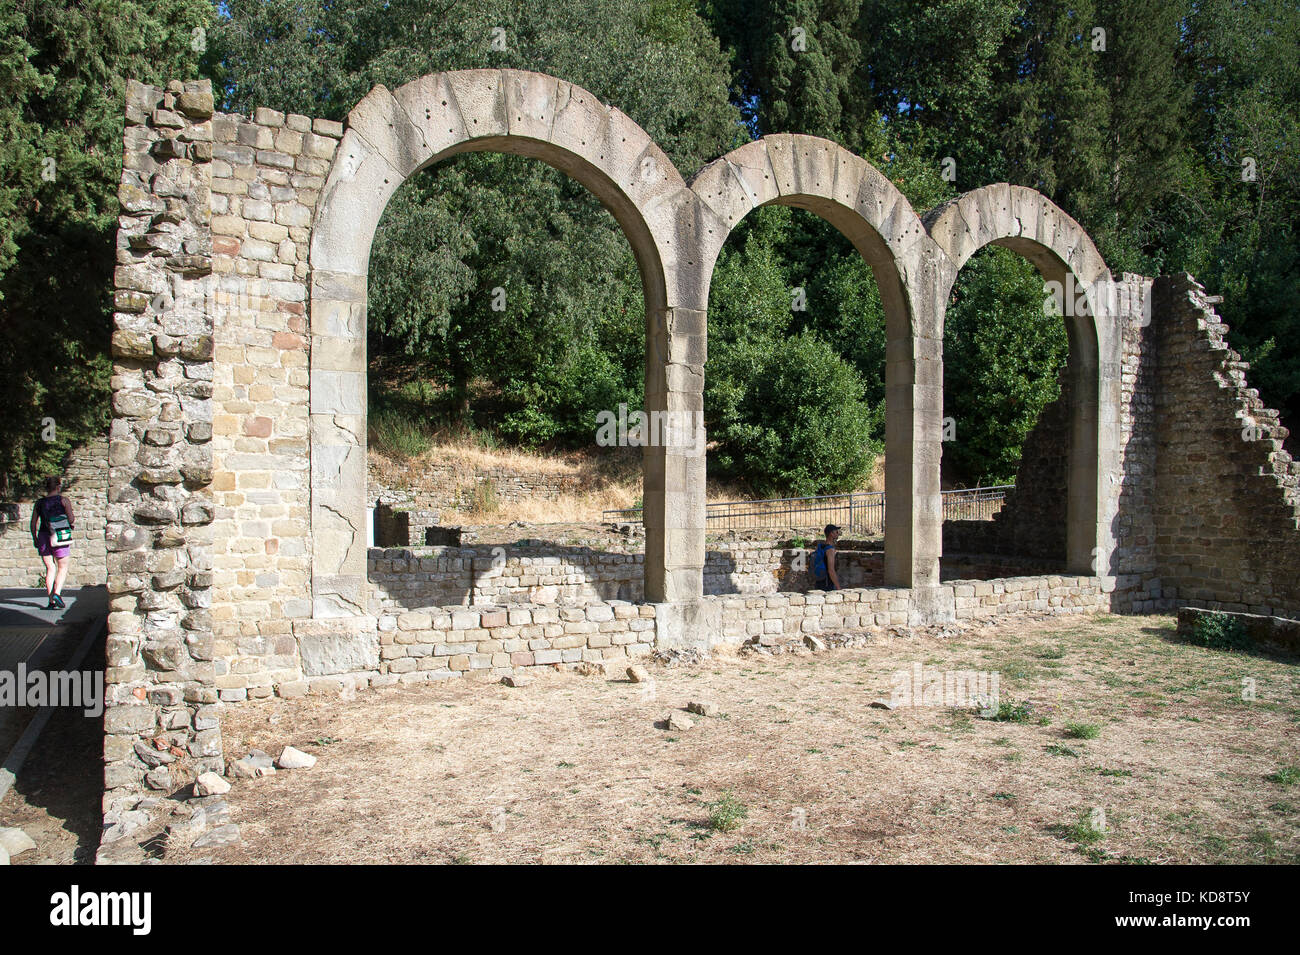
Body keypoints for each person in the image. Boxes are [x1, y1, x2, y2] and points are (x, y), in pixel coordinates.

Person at [31, 476, 75, 610]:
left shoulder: (39, 503)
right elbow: (71, 519)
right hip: (60, 536)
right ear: (58, 487)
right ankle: (57, 593)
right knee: (62, 567)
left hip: (44, 536)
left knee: (50, 568)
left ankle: (51, 601)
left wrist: (35, 538)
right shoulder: (63, 500)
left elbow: (33, 523)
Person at [812, 523, 841, 591]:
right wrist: (838, 586)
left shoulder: (820, 546)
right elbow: (831, 570)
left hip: (818, 580)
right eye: (836, 532)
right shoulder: (830, 550)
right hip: (826, 582)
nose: (838, 533)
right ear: (831, 533)